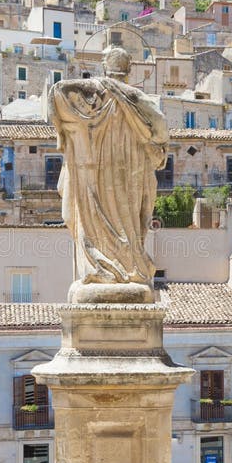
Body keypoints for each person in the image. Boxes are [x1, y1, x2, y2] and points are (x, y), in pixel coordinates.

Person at [49, 46, 168, 303]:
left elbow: (58, 91)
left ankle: (102, 267)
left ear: (104, 67)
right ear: (129, 70)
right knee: (129, 221)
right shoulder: (136, 98)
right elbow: (160, 129)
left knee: (89, 219)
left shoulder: (93, 97)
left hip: (93, 177)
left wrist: (94, 85)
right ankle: (129, 268)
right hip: (130, 175)